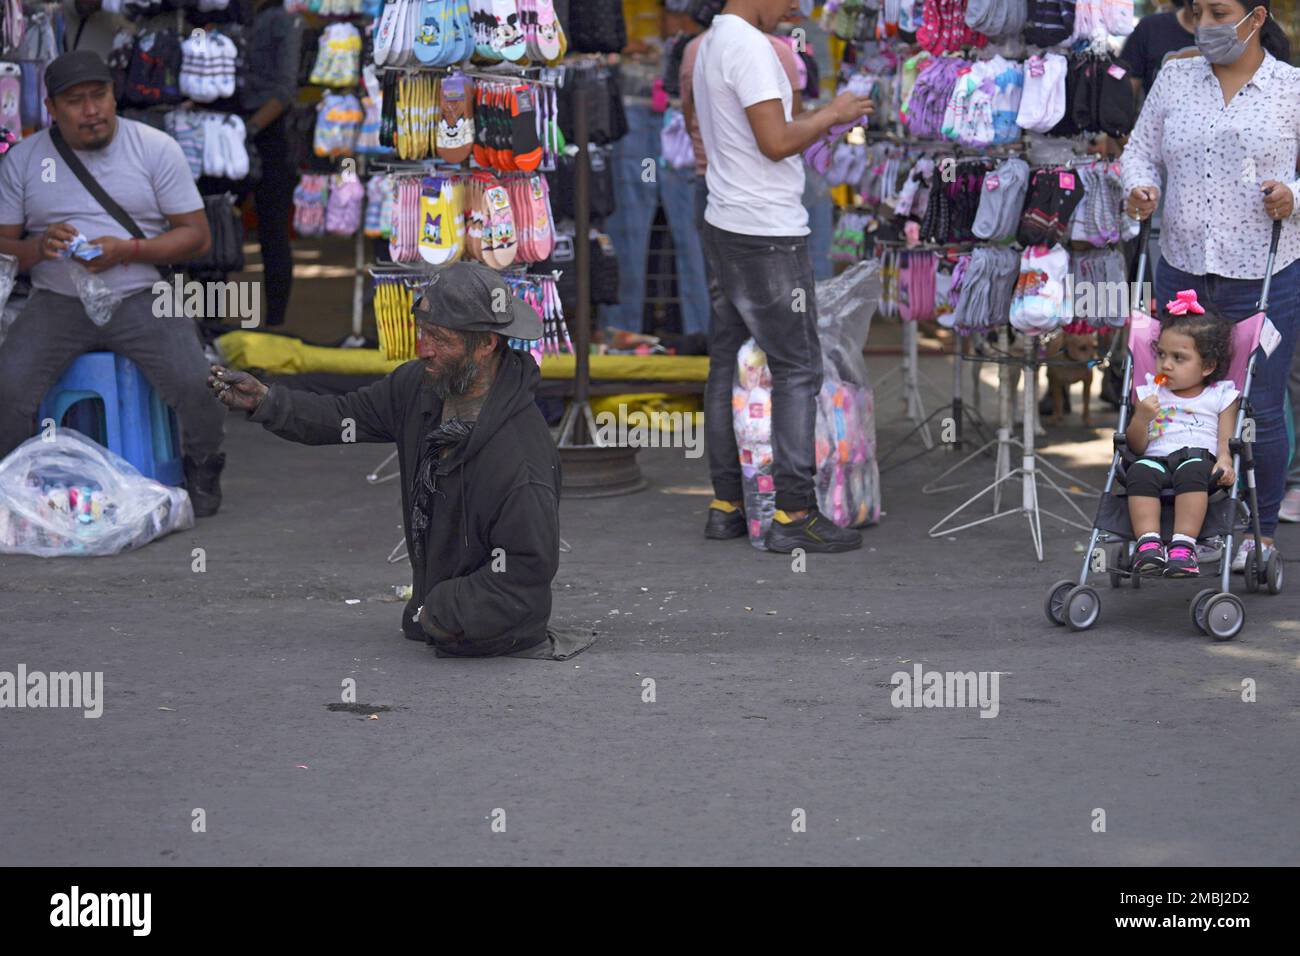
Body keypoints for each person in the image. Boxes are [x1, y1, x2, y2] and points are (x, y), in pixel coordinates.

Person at [209, 263, 563, 658]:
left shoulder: (520, 456)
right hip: (435, 610)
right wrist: (266, 401)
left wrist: (448, 608)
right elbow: (342, 416)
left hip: (496, 625)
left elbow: (526, 571)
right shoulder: (418, 386)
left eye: (439, 339)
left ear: (485, 344)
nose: (422, 348)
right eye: (422, 332)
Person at [0, 50, 225, 514]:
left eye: (99, 95)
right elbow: (4, 248)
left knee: (198, 381)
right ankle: (16, 486)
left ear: (113, 95)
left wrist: (129, 250)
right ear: (51, 109)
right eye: (76, 101)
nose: (92, 111)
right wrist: (39, 248)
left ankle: (203, 465)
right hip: (57, 299)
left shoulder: (154, 148)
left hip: (140, 294)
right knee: (9, 386)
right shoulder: (24, 159)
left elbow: (197, 237)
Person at [1120, 0, 1299, 572]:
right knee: (1172, 401)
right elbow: (1139, 153)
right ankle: (1171, 532)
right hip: (1181, 271)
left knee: (1261, 408)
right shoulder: (1175, 75)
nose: (1206, 23)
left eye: (1219, 10)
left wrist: (1294, 195)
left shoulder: (1290, 87)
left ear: (1256, 16)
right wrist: (1141, 187)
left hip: (1265, 273)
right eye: (1199, 11)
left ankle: (1260, 534)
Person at [694, 0, 874, 554]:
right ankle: (794, 513)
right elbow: (774, 143)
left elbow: (753, 138)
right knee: (798, 367)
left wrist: (813, 122)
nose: (798, 6)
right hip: (766, 233)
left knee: (726, 363)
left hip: (727, 222)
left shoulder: (711, 43)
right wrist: (834, 113)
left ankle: (727, 505)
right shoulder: (748, 46)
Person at [1126, 292, 1239, 577]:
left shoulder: (1219, 395)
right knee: (1138, 471)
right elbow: (1137, 446)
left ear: (1208, 366)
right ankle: (1148, 544)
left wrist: (1225, 460)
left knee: (1193, 471)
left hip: (1197, 460)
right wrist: (1141, 417)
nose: (1166, 365)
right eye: (1161, 354)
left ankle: (1183, 546)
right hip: (1156, 459)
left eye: (1179, 358)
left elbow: (1225, 439)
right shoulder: (1150, 392)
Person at [242, 0, 302, 328]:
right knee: (216, 224)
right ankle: (211, 318)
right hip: (231, 131)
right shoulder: (241, 19)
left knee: (273, 232)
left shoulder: (284, 20)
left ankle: (274, 323)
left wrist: (248, 129)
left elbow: (285, 91)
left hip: (269, 135)